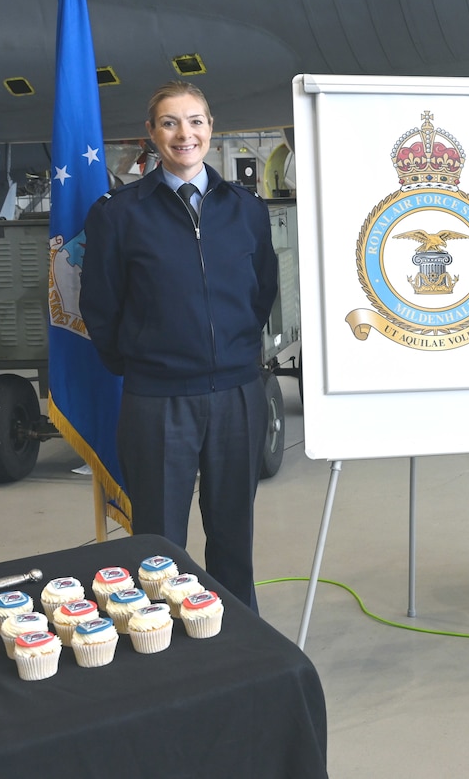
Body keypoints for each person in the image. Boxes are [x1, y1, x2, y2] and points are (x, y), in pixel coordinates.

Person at [80, 81, 278, 612]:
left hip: (237, 394)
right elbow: (100, 306)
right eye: (169, 122)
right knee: (160, 544)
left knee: (234, 533)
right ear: (151, 134)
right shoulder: (118, 215)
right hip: (158, 398)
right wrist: (147, 362)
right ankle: (161, 641)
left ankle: (238, 638)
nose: (183, 134)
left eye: (194, 121)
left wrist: (232, 353)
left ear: (211, 129)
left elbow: (262, 292)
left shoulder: (246, 211)